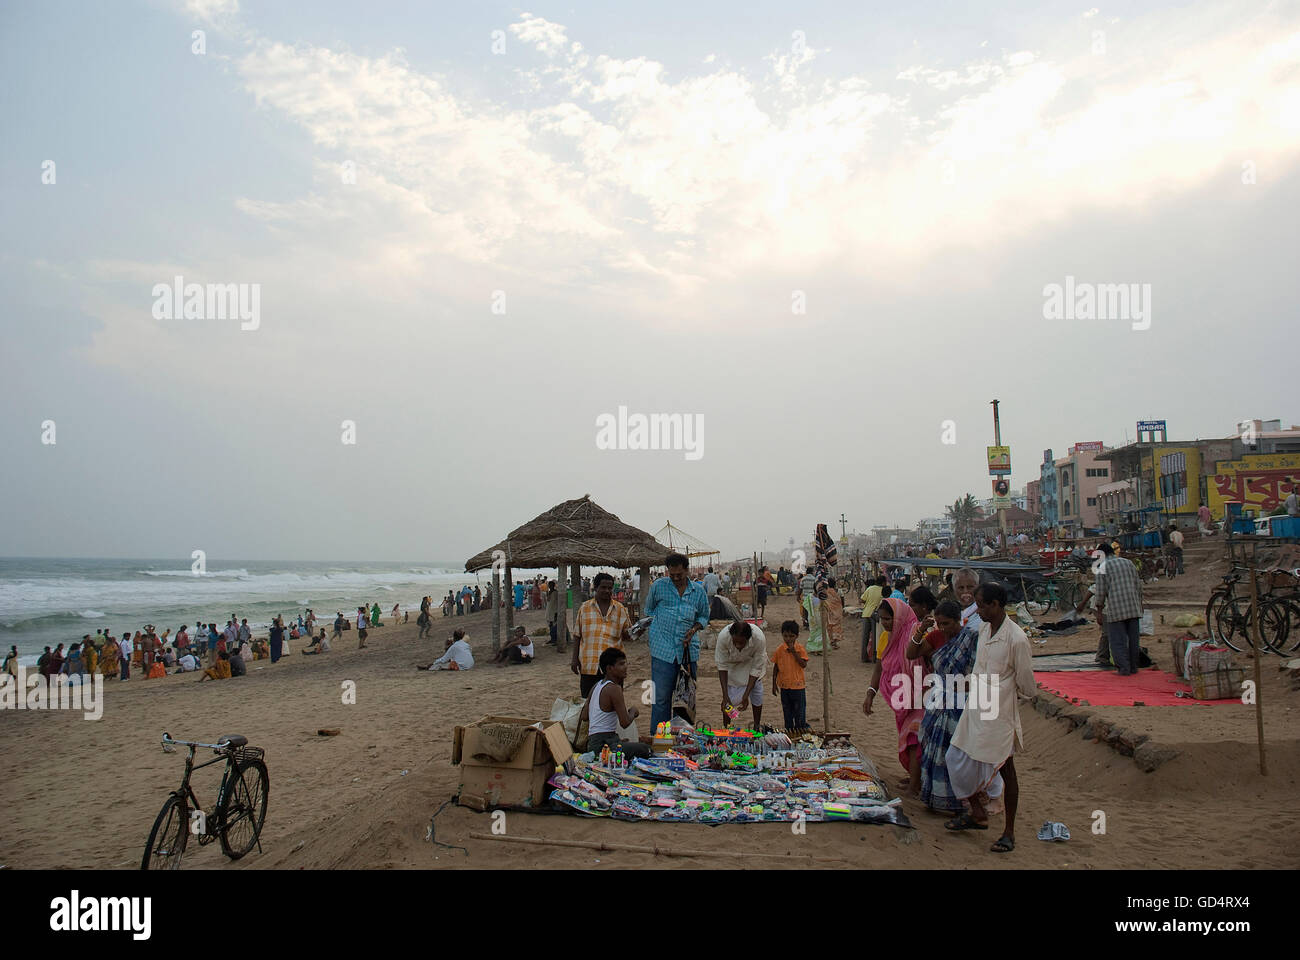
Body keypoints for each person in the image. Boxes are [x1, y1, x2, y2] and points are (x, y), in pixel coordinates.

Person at [944, 583, 1036, 854]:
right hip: (976, 708)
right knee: (955, 758)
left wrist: (1003, 692)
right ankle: (976, 812)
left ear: (997, 605)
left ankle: (1009, 833)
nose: (979, 609)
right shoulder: (984, 630)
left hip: (999, 714)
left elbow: (1028, 686)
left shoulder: (1017, 638)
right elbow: (980, 668)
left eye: (983, 604)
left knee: (1007, 771)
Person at [908, 600, 979, 814]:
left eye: (947, 623)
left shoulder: (971, 638)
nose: (943, 628)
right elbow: (911, 654)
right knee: (930, 745)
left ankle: (960, 800)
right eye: (939, 623)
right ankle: (935, 797)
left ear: (958, 620)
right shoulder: (936, 637)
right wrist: (921, 630)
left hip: (961, 702)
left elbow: (975, 673)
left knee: (952, 753)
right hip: (938, 700)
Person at [863, 597, 923, 797]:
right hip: (900, 696)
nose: (885, 623)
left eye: (889, 619)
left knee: (914, 739)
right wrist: (871, 693)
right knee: (907, 737)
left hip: (919, 696)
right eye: (882, 619)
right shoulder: (885, 637)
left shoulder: (916, 633)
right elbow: (880, 666)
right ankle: (914, 777)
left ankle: (915, 784)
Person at [644, 552, 710, 732]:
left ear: (687, 571)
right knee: (661, 699)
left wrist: (694, 629)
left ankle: (682, 740)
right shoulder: (658, 586)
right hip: (662, 651)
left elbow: (704, 616)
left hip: (688, 652)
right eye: (671, 575)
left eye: (679, 575)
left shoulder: (698, 591)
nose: (675, 578)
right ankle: (659, 740)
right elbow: (649, 610)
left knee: (684, 699)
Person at [578, 647, 650, 759]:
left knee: (628, 745)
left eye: (625, 663)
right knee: (645, 749)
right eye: (621, 664)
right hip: (604, 746)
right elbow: (625, 723)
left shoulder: (596, 686)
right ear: (609, 668)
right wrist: (633, 712)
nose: (625, 667)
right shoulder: (614, 689)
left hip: (593, 744)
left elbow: (584, 716)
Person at [571, 572, 633, 695]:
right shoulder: (584, 608)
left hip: (613, 667)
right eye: (603, 587)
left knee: (612, 704)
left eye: (610, 588)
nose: (607, 591)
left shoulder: (620, 609)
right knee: (588, 701)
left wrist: (637, 631)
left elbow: (626, 636)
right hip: (589, 664)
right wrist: (574, 659)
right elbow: (577, 635)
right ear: (595, 588)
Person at [1094, 542, 1144, 676]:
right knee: (1134, 640)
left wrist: (1099, 612)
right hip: (1133, 607)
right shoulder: (1128, 563)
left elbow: (1100, 593)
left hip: (1116, 609)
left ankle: (1123, 668)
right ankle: (1133, 667)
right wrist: (1140, 605)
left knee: (1117, 641)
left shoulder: (1102, 567)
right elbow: (1138, 586)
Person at [715, 620, 767, 728]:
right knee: (729, 701)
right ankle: (727, 729)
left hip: (751, 663)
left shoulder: (759, 639)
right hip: (732, 665)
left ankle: (756, 726)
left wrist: (746, 694)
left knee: (757, 694)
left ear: (748, 639)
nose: (738, 646)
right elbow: (722, 666)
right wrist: (725, 695)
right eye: (735, 642)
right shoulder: (723, 637)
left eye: (741, 643)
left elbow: (756, 669)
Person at [770, 620, 809, 731]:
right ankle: (789, 732)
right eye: (786, 636)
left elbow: (803, 664)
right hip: (784, 687)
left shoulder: (800, 649)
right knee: (787, 712)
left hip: (798, 687)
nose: (788, 639)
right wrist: (774, 684)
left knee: (799, 713)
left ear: (796, 636)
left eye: (791, 636)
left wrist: (794, 652)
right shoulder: (779, 650)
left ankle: (800, 732)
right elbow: (776, 667)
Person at [859, 575, 886, 663]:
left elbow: (862, 600)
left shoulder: (870, 588)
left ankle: (864, 657)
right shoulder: (883, 590)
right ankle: (875, 658)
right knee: (875, 637)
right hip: (875, 615)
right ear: (883, 583)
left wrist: (869, 602)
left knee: (865, 637)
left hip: (866, 613)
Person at [823, 577, 844, 650]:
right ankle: (835, 641)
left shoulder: (826, 592)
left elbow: (825, 602)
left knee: (830, 626)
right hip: (838, 611)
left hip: (830, 611)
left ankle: (831, 640)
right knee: (837, 626)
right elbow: (842, 600)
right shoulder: (839, 591)